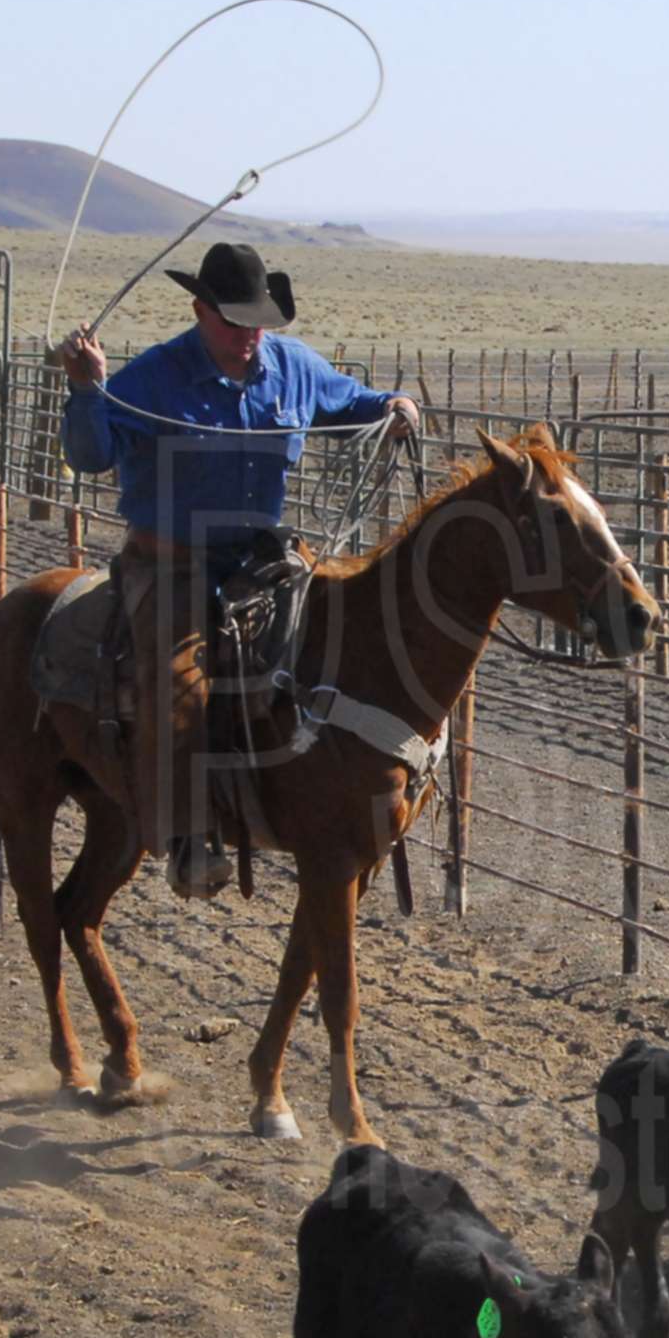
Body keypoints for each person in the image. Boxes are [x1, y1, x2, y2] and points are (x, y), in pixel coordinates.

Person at [55, 241, 421, 899]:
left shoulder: (292, 367)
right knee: (182, 676)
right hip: (171, 564)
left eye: (257, 322)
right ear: (199, 310)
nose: (249, 336)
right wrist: (86, 387)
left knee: (339, 644)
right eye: (234, 321)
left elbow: (353, 404)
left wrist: (394, 407)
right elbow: (90, 453)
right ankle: (192, 838)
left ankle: (337, 799)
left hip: (264, 561)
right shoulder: (153, 377)